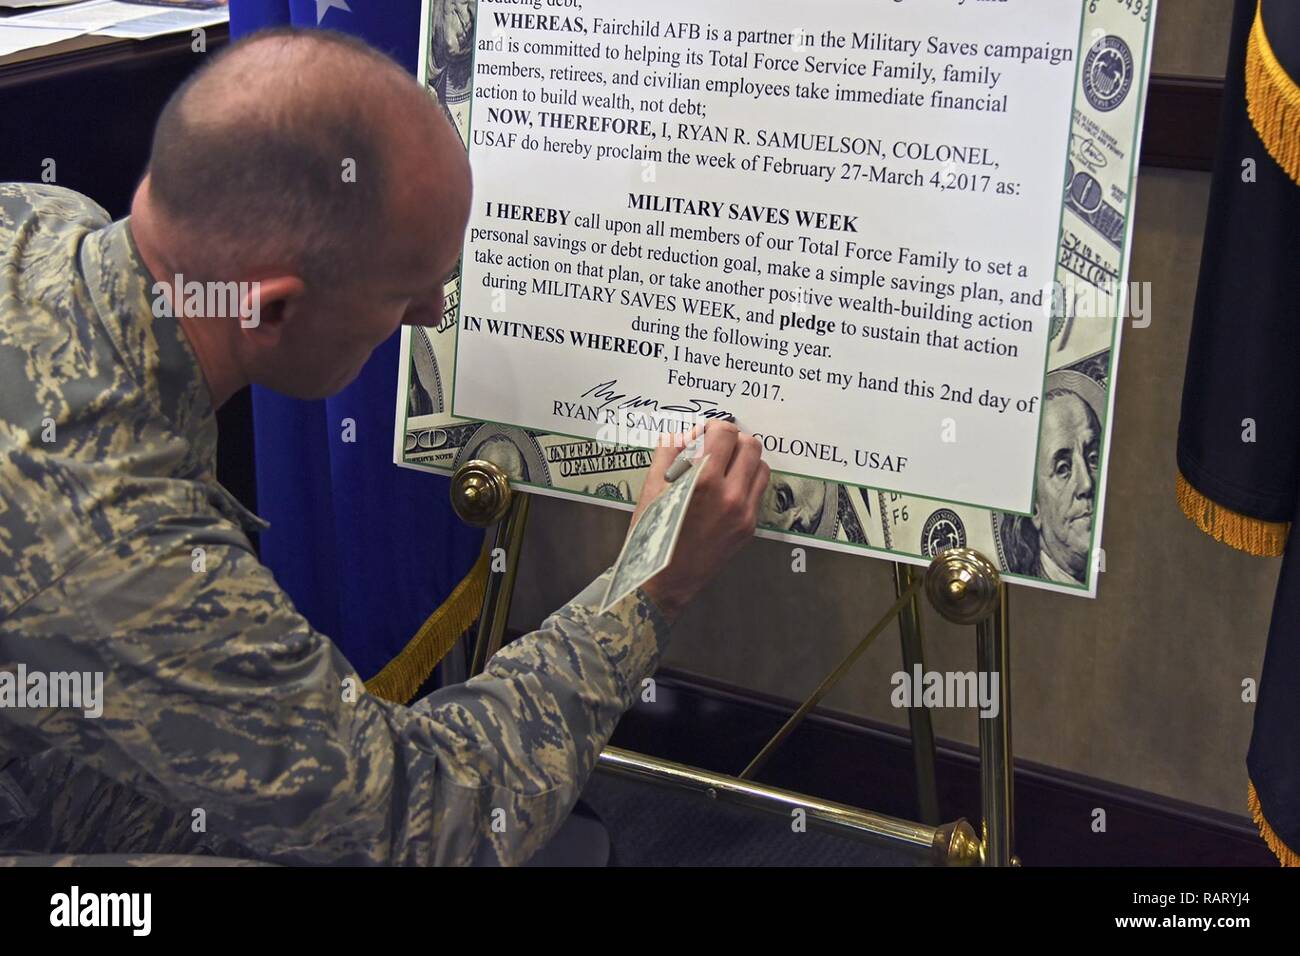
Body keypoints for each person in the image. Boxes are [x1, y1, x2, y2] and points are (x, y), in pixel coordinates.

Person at [0, 28, 768, 865]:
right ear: (272, 309)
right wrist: (649, 589)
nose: (433, 313)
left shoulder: (40, 218)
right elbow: (419, 823)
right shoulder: (116, 542)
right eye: (406, 292)